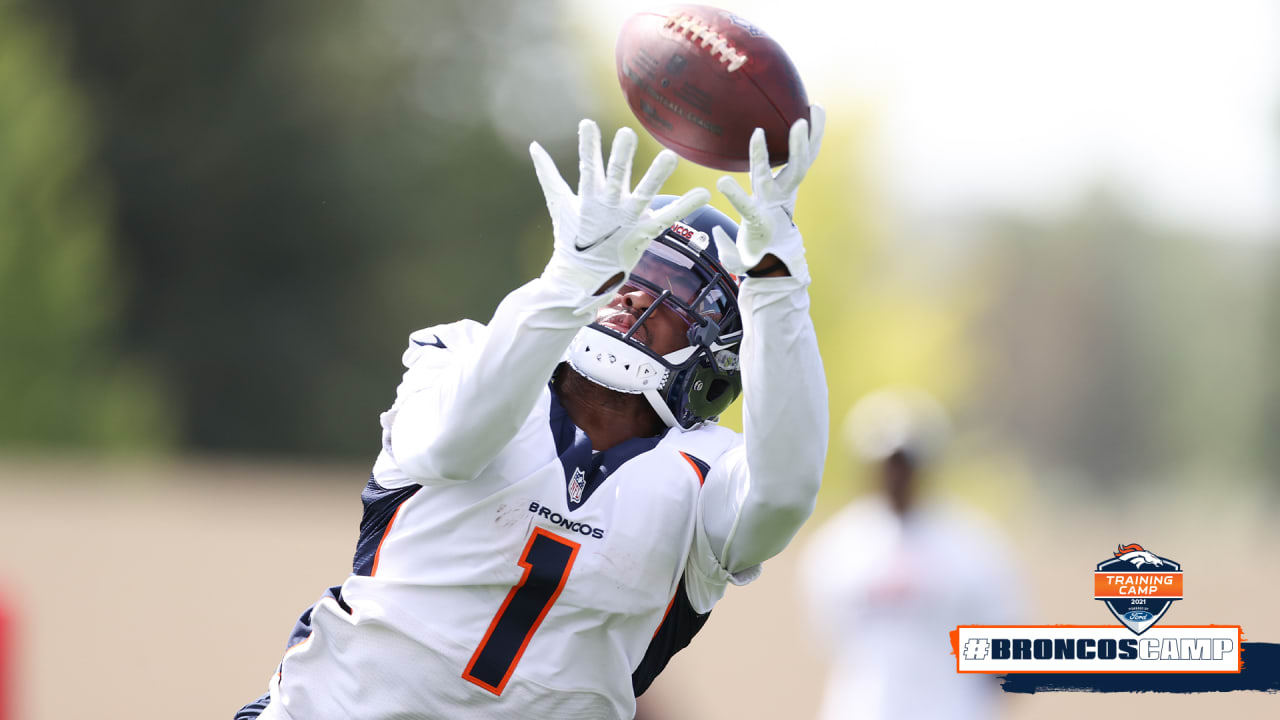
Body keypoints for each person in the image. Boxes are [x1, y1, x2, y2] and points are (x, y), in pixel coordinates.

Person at [237, 107, 828, 720]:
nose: (630, 291)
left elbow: (785, 494)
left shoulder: (709, 472)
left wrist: (779, 290)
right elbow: (453, 443)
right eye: (626, 268)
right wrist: (569, 277)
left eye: (673, 286)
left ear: (722, 344)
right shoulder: (458, 352)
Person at [799, 388, 1024, 720]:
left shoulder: (974, 547)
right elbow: (830, 638)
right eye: (888, 464)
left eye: (906, 463)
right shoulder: (837, 547)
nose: (897, 475)